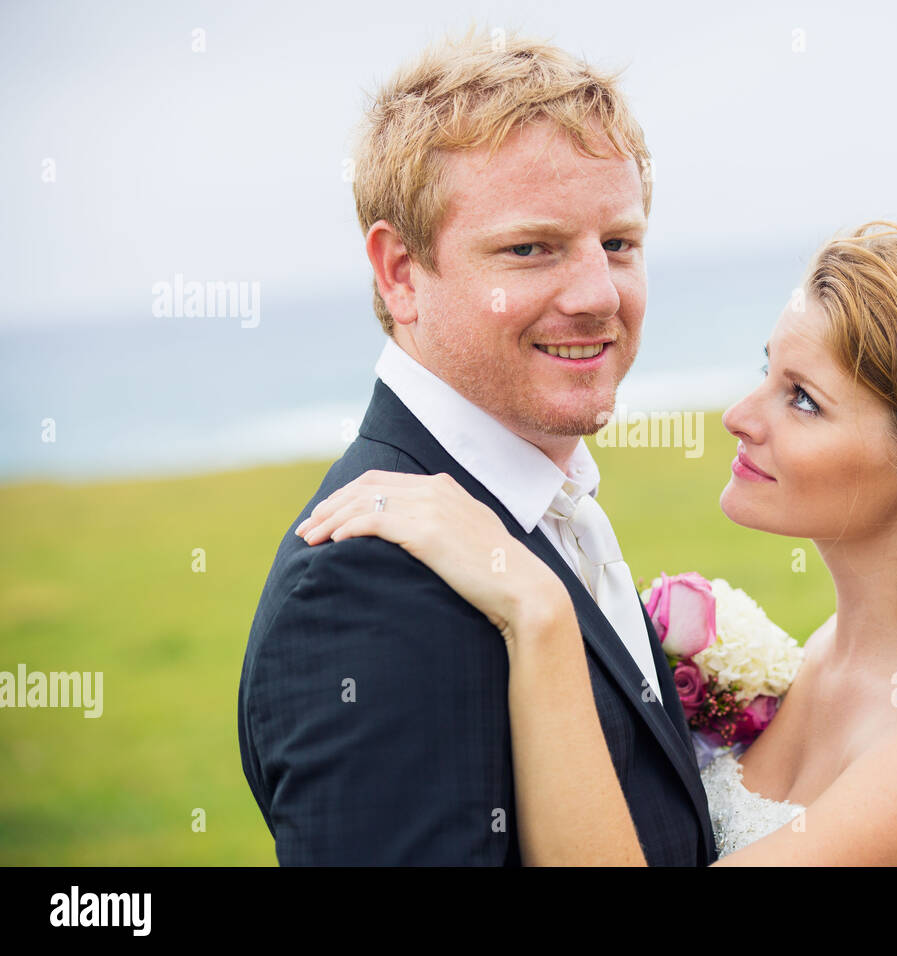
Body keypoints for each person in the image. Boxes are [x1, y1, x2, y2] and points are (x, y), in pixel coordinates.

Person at [299, 222, 897, 865]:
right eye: (764, 377)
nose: (742, 419)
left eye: (804, 400)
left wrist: (538, 609)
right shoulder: (822, 659)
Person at [238, 28, 715, 865]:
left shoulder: (541, 504)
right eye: (530, 249)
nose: (599, 296)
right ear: (400, 272)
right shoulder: (365, 585)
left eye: (619, 244)